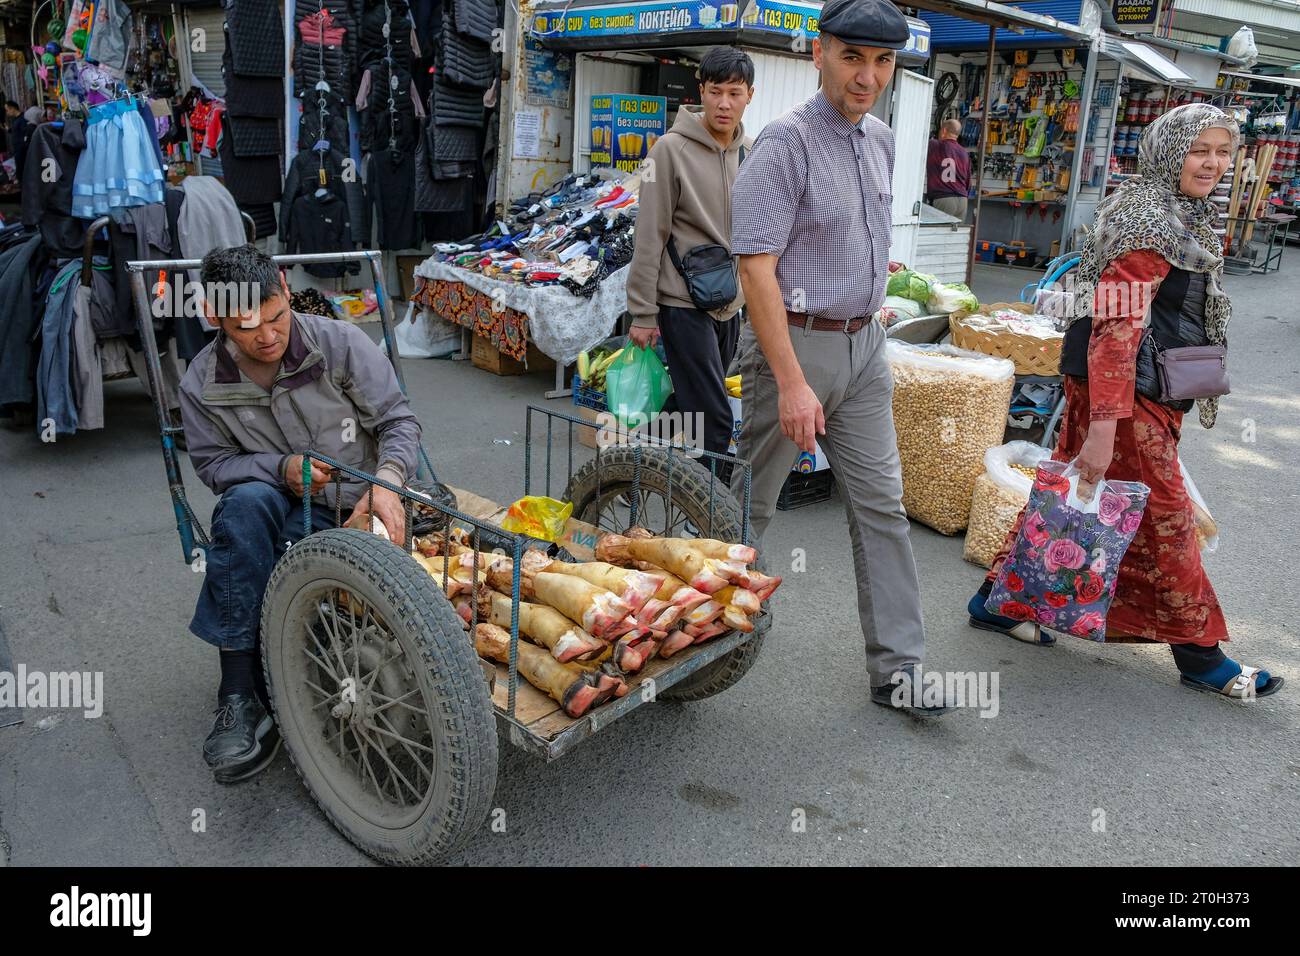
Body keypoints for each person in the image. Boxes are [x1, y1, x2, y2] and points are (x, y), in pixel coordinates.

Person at [967, 103, 1284, 702]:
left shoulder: (1179, 213)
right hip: (1121, 396)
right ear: (1169, 152)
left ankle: (994, 600)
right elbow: (1116, 329)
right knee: (1166, 521)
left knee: (1074, 499)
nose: (1213, 163)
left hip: (1131, 392)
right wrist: (1105, 428)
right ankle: (1200, 654)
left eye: (1222, 151)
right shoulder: (1146, 222)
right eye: (1199, 150)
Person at [730, 0, 950, 717]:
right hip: (795, 347)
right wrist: (792, 383)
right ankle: (684, 633)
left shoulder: (880, 138)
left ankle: (900, 670)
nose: (868, 76)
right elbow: (755, 270)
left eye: (883, 61)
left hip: (864, 346)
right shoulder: (784, 143)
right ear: (818, 53)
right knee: (748, 509)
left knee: (882, 506)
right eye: (853, 57)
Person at [179, 244, 422, 782]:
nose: (267, 336)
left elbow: (398, 423)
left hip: (360, 502)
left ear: (286, 293)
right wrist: (280, 467)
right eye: (246, 327)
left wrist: (388, 483)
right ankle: (240, 695)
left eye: (276, 316)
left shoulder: (338, 343)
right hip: (285, 512)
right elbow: (215, 465)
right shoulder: (201, 382)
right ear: (213, 317)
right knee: (243, 506)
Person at [625, 46, 753, 462]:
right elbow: (649, 233)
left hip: (728, 304)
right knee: (714, 419)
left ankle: (635, 458)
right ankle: (716, 516)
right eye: (715, 91)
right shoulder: (667, 150)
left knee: (691, 399)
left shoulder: (750, 152)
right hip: (681, 303)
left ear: (749, 94)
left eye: (734, 93)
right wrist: (642, 313)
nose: (724, 103)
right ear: (701, 91)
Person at [926, 118, 970, 220]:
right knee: (954, 235)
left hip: (943, 198)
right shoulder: (964, 152)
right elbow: (968, 182)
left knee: (937, 234)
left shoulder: (934, 145)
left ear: (944, 131)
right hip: (962, 201)